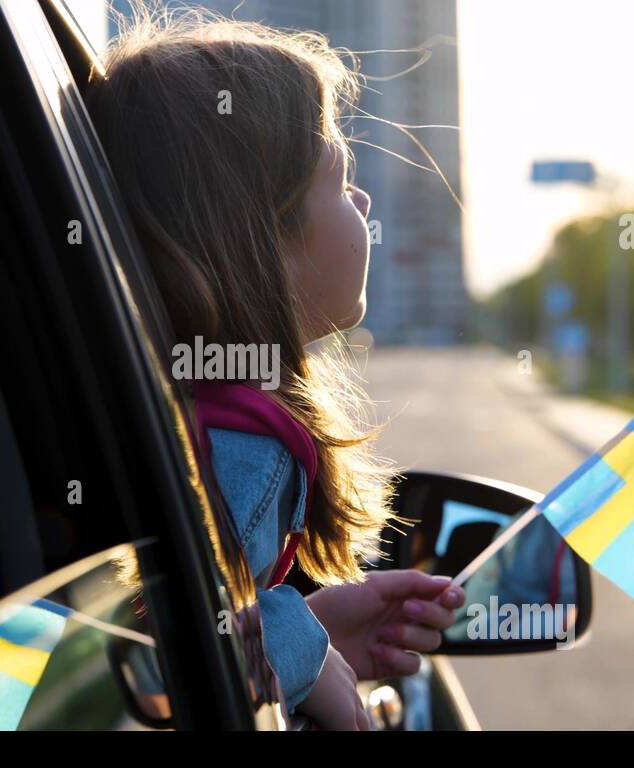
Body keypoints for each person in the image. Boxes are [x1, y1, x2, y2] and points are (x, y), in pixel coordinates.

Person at [85, 3, 466, 730]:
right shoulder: (242, 449)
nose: (362, 200)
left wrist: (310, 626)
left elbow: (198, 613)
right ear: (264, 235)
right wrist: (304, 647)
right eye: (340, 175)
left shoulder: (182, 406)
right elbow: (165, 641)